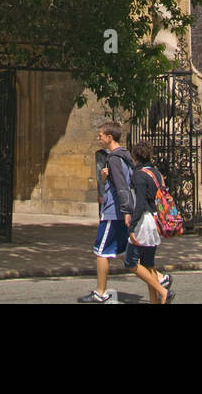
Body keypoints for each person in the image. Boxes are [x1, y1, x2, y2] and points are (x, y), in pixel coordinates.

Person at [78, 120, 134, 304]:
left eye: (101, 135)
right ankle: (159, 280)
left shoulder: (114, 158)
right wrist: (105, 177)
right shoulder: (126, 156)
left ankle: (100, 293)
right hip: (121, 212)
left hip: (113, 213)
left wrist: (126, 210)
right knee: (131, 253)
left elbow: (122, 186)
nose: (98, 138)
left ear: (109, 137)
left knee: (101, 252)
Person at [124, 142, 172, 304]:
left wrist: (132, 227)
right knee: (148, 264)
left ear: (135, 157)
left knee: (131, 262)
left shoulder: (138, 175)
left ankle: (162, 291)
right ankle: (154, 301)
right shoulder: (156, 173)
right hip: (155, 220)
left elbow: (140, 203)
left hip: (143, 222)